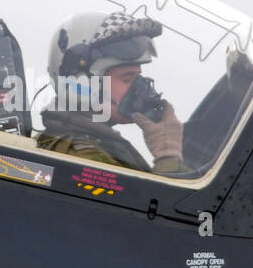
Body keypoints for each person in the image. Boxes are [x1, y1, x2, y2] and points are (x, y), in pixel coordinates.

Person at [36, 10, 191, 175]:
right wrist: (167, 156)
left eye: (138, 76)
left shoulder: (101, 144)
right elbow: (154, 200)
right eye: (127, 78)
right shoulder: (82, 157)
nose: (139, 87)